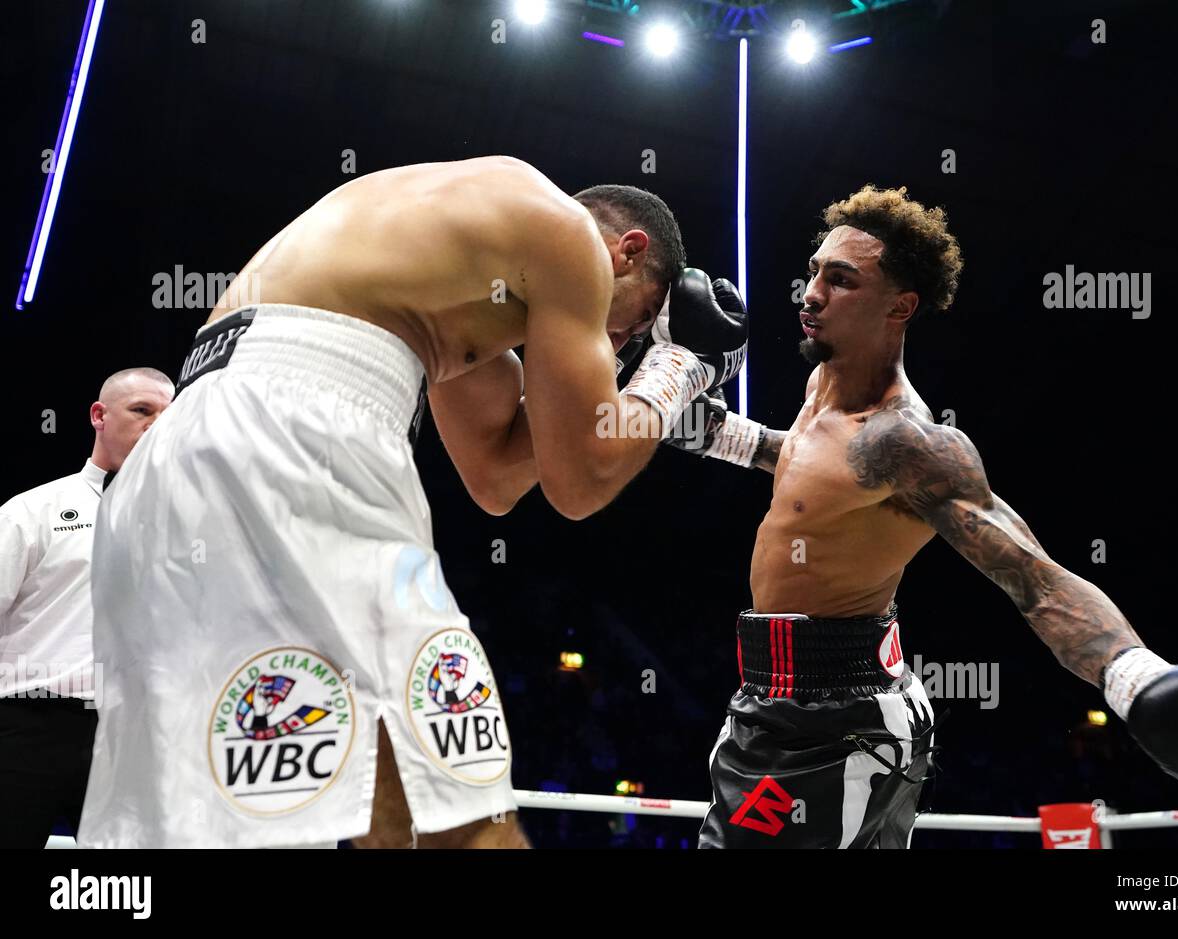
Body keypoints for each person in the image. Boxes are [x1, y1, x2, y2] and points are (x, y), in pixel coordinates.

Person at [78, 157, 747, 848]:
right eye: (634, 327)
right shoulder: (570, 232)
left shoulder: (447, 273)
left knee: (270, 817)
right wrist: (677, 367)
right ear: (628, 250)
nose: (615, 348)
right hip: (297, 438)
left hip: (176, 464)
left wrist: (649, 394)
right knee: (458, 807)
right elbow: (581, 481)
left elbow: (496, 477)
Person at [667, 184, 1178, 848]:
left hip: (837, 717)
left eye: (840, 280)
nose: (810, 293)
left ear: (900, 306)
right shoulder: (824, 389)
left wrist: (1135, 676)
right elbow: (813, 473)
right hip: (775, 697)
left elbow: (1033, 577)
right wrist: (723, 434)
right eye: (813, 272)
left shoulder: (906, 439)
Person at [0, 367, 173, 847]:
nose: (157, 425)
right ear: (99, 415)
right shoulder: (34, 511)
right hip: (29, 726)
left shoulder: (189, 521)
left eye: (168, 415)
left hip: (132, 733)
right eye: (142, 410)